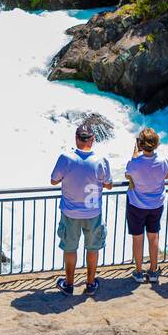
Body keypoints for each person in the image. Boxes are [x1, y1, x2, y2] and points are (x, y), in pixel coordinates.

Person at [49, 124, 112, 295]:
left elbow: (54, 181)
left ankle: (69, 285)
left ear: (76, 139)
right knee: (92, 248)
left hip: (70, 213)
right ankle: (90, 284)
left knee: (70, 248)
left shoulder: (66, 158)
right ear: (93, 139)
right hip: (93, 212)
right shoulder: (101, 160)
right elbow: (109, 185)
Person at [125, 128, 168, 284]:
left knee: (138, 238)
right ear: (156, 144)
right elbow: (167, 175)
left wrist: (134, 154)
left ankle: (138, 272)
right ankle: (153, 271)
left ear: (140, 144)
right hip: (156, 205)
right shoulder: (164, 161)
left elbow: (128, 174)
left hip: (136, 205)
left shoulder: (134, 163)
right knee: (154, 236)